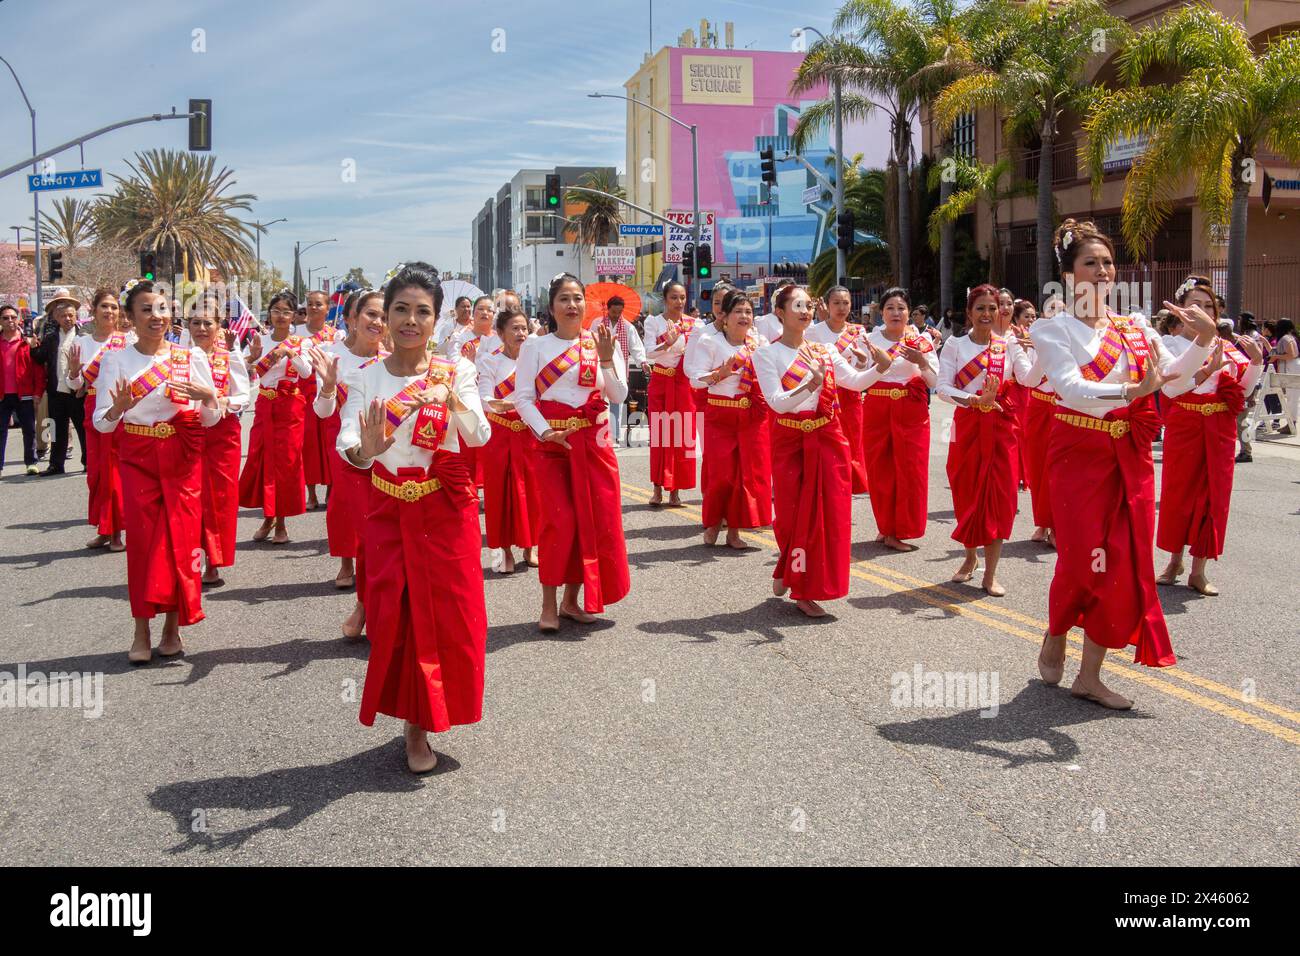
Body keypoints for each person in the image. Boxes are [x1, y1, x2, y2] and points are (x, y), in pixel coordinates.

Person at [1030, 219, 1214, 710]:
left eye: (1108, 262)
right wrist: (1130, 391)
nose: (1103, 270)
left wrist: (1202, 343)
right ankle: (1056, 629)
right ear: (1070, 275)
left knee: (1120, 563)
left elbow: (1171, 384)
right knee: (1079, 560)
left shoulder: (1133, 327)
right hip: (1077, 454)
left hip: (1127, 458)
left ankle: (1090, 675)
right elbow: (1071, 390)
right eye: (1091, 262)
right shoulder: (1051, 328)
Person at [337, 262, 490, 774]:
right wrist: (367, 450)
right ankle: (410, 712)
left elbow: (479, 435)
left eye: (422, 311)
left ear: (436, 319)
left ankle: (418, 726)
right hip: (386, 510)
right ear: (385, 318)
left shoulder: (457, 372)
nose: (409, 320)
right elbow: (348, 445)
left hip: (444, 511)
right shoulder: (365, 378)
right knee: (395, 618)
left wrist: (449, 399)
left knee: (449, 618)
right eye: (400, 308)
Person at [93, 279, 223, 663]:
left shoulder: (190, 358)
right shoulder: (117, 361)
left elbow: (211, 419)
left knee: (180, 543)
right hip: (137, 456)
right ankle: (140, 629)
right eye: (147, 309)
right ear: (130, 316)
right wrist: (118, 408)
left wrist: (210, 396)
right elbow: (102, 423)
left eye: (163, 308)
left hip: (182, 457)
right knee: (145, 544)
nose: (157, 316)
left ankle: (172, 627)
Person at [753, 285, 891, 618]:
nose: (804, 311)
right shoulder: (766, 354)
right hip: (790, 442)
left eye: (808, 306)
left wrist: (880, 368)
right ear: (780, 313)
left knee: (826, 516)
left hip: (827, 439)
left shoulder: (824, 350)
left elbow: (855, 382)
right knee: (791, 516)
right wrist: (809, 385)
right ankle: (787, 566)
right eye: (796, 305)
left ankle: (805, 587)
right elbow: (776, 403)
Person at [513, 273, 630, 632]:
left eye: (577, 298)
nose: (572, 305)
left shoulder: (601, 344)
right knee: (558, 523)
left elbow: (619, 396)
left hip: (593, 447)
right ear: (551, 307)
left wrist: (608, 361)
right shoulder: (535, 346)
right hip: (553, 446)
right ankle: (548, 604)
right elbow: (523, 399)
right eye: (564, 298)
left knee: (591, 522)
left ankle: (572, 601)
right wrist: (545, 431)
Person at [1155, 276, 1265, 596]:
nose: (1202, 311)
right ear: (1180, 310)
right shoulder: (1170, 345)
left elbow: (1240, 390)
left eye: (1208, 306)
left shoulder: (1227, 347)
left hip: (1218, 428)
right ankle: (1174, 561)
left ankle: (1198, 569)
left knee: (1212, 498)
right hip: (1185, 424)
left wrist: (1256, 363)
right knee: (1179, 496)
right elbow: (1171, 387)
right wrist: (1202, 369)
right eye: (1195, 305)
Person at [311, 290, 389, 636]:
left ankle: (369, 607)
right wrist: (328, 388)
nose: (378, 322)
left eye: (384, 316)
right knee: (365, 535)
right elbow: (322, 411)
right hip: (351, 456)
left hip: (389, 457)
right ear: (352, 319)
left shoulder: (392, 359)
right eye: (371, 314)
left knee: (383, 538)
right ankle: (364, 605)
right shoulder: (333, 358)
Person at [937, 285, 1020, 596]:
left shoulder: (1010, 346)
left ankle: (991, 573)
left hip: (1001, 426)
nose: (987, 314)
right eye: (981, 308)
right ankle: (969, 557)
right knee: (966, 489)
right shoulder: (955, 346)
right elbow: (943, 388)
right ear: (969, 313)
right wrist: (974, 400)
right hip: (966, 424)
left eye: (992, 308)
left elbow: (1030, 378)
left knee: (1000, 497)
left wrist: (1040, 348)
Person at [684, 288, 771, 548]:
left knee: (745, 474)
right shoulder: (710, 343)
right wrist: (719, 374)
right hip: (720, 415)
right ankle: (713, 522)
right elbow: (694, 379)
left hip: (751, 416)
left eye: (748, 311)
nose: (744, 316)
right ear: (725, 317)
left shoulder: (759, 346)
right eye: (738, 311)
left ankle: (734, 530)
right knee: (721, 474)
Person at [862, 287, 938, 551]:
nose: (896, 313)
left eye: (901, 308)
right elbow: (857, 376)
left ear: (910, 313)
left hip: (911, 409)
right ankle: (887, 527)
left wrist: (922, 362)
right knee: (880, 469)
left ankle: (901, 528)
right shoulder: (868, 339)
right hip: (877, 408)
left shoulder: (920, 341)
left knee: (910, 470)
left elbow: (935, 381)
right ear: (881, 312)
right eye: (890, 308)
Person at [187, 292, 251, 587]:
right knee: (190, 499)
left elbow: (242, 394)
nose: (201, 328)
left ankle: (214, 562)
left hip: (223, 435)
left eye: (207, 323)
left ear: (219, 327)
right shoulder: (178, 357)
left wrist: (227, 402)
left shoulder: (229, 357)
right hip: (187, 434)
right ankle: (191, 560)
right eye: (196, 322)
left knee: (219, 500)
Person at [239, 291, 312, 544]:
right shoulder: (260, 340)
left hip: (290, 406)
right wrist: (252, 357)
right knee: (261, 459)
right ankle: (268, 517)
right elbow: (248, 372)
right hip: (265, 404)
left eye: (286, 311)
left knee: (287, 463)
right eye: (277, 310)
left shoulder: (301, 343)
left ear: (294, 316)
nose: (281, 316)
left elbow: (306, 372)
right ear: (269, 312)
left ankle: (281, 522)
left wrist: (290, 354)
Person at [476, 308, 541, 573]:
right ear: (500, 333)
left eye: (524, 328)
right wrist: (507, 404)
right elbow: (484, 398)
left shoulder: (535, 359)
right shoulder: (489, 361)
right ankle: (504, 550)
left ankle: (531, 546)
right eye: (514, 328)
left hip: (529, 435)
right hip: (500, 435)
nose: (521, 333)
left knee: (533, 493)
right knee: (500, 495)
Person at [66, 290, 132, 550]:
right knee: (96, 473)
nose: (110, 312)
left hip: (119, 410)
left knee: (116, 471)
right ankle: (103, 528)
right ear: (93, 310)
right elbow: (76, 384)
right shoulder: (81, 343)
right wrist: (73, 372)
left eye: (114, 307)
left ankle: (116, 531)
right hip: (93, 408)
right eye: (104, 306)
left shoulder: (128, 342)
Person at [805, 286, 871, 495]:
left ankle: (849, 484)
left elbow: (864, 367)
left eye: (845, 303)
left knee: (852, 440)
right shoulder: (814, 331)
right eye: (836, 303)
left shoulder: (857, 331)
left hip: (850, 395)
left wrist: (861, 362)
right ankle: (827, 480)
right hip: (825, 395)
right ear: (827, 305)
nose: (841, 308)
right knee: (828, 441)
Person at [640, 281, 698, 505]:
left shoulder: (694, 324)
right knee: (661, 436)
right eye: (674, 297)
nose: (679, 302)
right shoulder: (654, 322)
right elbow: (648, 353)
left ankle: (676, 491)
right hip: (661, 382)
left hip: (683, 384)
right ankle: (657, 489)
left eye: (682, 297)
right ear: (665, 299)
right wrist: (667, 343)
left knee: (682, 437)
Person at [1009, 300, 1056, 546]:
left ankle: (1057, 525)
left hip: (1062, 408)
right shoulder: (1031, 339)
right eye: (1049, 312)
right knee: (1038, 467)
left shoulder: (1073, 340)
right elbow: (1025, 376)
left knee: (1058, 469)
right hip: (1037, 405)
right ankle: (1043, 522)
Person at [32, 289, 85, 476]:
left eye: (70, 315)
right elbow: (39, 358)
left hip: (78, 390)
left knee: (82, 427)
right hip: (56, 390)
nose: (67, 319)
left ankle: (88, 461)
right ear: (56, 317)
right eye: (63, 316)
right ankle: (56, 464)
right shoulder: (51, 338)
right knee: (56, 429)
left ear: (76, 316)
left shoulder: (83, 336)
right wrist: (32, 347)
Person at [296, 290, 337, 511]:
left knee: (330, 441)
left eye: (318, 304)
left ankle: (331, 490)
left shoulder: (337, 335)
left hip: (330, 393)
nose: (313, 308)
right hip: (305, 394)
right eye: (310, 304)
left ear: (327, 308)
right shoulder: (297, 334)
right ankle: (310, 493)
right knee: (309, 445)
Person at [592, 295, 646, 447]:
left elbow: (636, 348)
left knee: (617, 401)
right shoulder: (597, 323)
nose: (616, 315)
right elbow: (589, 342)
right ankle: (599, 433)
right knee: (600, 400)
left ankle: (614, 436)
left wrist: (642, 362)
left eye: (619, 312)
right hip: (599, 367)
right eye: (614, 312)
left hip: (620, 369)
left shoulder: (628, 327)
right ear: (607, 309)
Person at [0, 304, 43, 476]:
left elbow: (39, 370)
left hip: (24, 393)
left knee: (29, 429)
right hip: (3, 394)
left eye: (12, 317)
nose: (10, 320)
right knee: (0, 430)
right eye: (5, 318)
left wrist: (38, 392)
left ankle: (31, 462)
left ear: (18, 319)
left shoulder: (28, 342)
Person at [1270, 318, 1298, 432]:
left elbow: (1292, 354)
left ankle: (1291, 424)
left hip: (1291, 369)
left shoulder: (1286, 338)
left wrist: (1277, 356)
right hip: (1291, 368)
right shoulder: (1288, 338)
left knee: (1292, 398)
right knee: (1292, 398)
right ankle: (1291, 423)